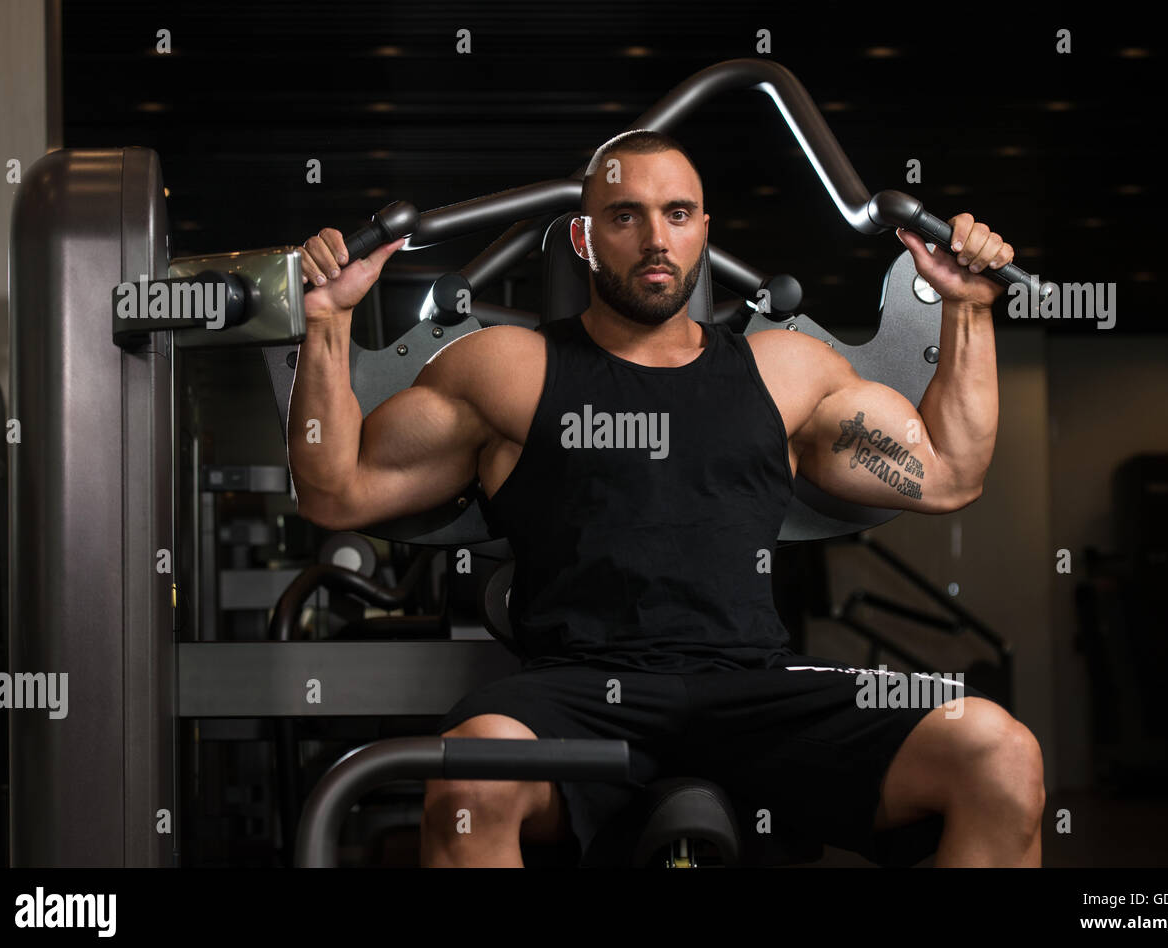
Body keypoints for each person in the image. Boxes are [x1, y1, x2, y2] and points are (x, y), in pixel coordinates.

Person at [287, 129, 1044, 868]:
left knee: (998, 754)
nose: (656, 237)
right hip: (577, 693)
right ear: (583, 239)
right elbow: (335, 492)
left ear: (703, 232)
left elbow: (948, 473)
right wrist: (326, 322)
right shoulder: (508, 370)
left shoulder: (785, 373)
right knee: (469, 786)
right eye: (626, 216)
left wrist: (968, 307)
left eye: (677, 214)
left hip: (756, 691)